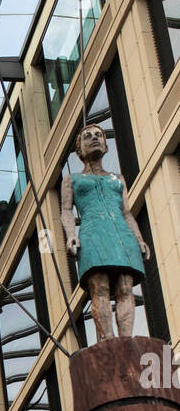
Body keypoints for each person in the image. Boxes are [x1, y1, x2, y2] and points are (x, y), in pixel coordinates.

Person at [60, 122, 150, 340]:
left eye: (99, 135)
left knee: (125, 286)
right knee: (99, 286)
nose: (95, 138)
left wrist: (139, 239)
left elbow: (127, 212)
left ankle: (126, 341)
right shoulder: (72, 179)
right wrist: (71, 234)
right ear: (79, 150)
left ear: (106, 145)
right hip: (92, 233)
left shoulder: (117, 179)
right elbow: (66, 210)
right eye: (88, 136)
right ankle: (109, 341)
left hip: (121, 233)